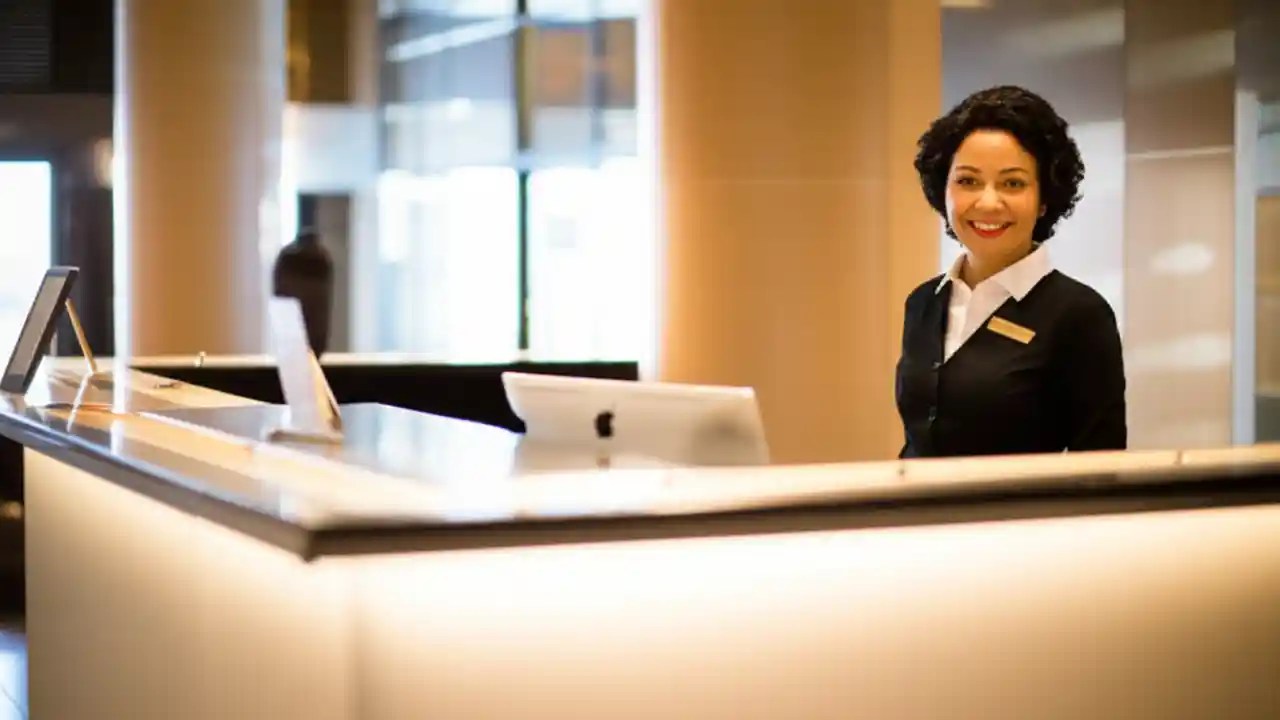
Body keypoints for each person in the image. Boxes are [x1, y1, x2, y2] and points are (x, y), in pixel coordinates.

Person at [896, 85, 1126, 458]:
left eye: (1013, 183)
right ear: (944, 190)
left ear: (1043, 199)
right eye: (968, 181)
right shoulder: (923, 302)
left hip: (1021, 517)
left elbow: (1101, 467)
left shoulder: (1079, 314)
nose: (988, 202)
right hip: (921, 516)